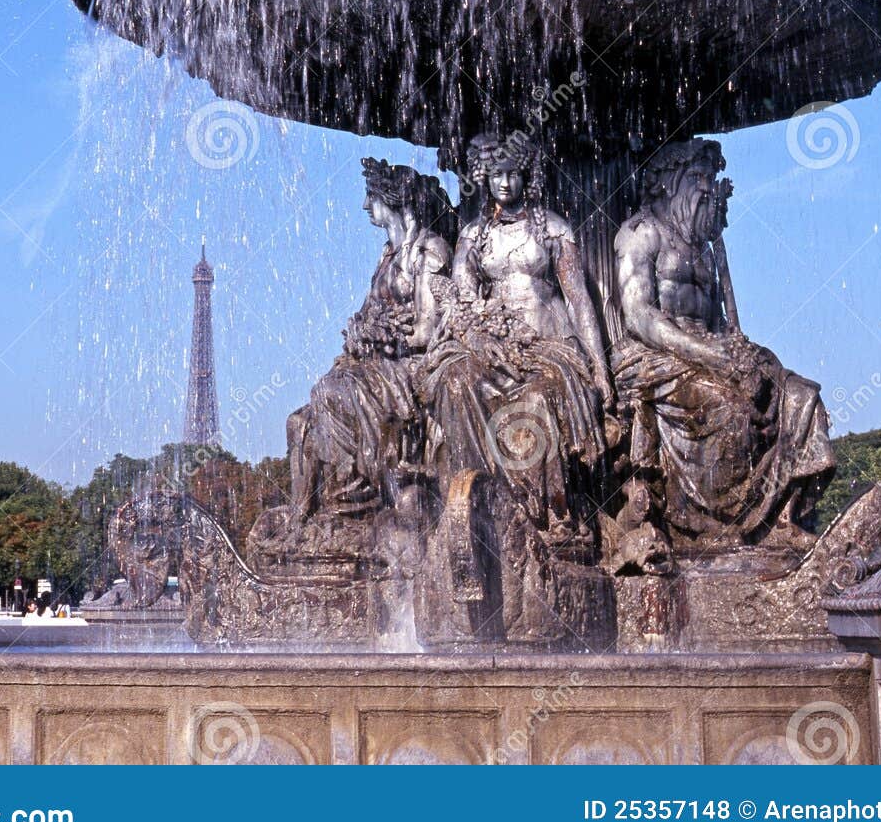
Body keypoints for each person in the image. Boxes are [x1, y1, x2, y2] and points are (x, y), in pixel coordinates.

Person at [612, 139, 834, 557]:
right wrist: (707, 354)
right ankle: (713, 530)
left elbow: (720, 320)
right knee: (727, 408)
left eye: (710, 180)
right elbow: (639, 316)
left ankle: (783, 519)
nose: (707, 189)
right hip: (658, 354)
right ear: (668, 183)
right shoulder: (641, 233)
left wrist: (739, 353)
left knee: (802, 397)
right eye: (697, 178)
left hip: (712, 348)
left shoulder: (704, 247)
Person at [419, 135, 613, 550]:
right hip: (492, 343)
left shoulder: (554, 228)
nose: (503, 183)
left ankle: (546, 513)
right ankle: (477, 496)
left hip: (548, 342)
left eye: (511, 173)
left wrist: (599, 365)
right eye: (494, 175)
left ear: (527, 175)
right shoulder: (473, 236)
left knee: (539, 398)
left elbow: (579, 301)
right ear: (483, 178)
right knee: (456, 379)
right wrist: (476, 335)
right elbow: (460, 299)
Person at [288, 159, 457, 521]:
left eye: (372, 197)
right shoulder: (387, 256)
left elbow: (427, 331)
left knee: (331, 392)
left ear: (394, 200)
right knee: (299, 422)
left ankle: (355, 495)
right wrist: (361, 333)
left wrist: (381, 336)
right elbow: (368, 317)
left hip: (409, 365)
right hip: (378, 363)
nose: (366, 206)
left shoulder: (429, 251)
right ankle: (303, 519)